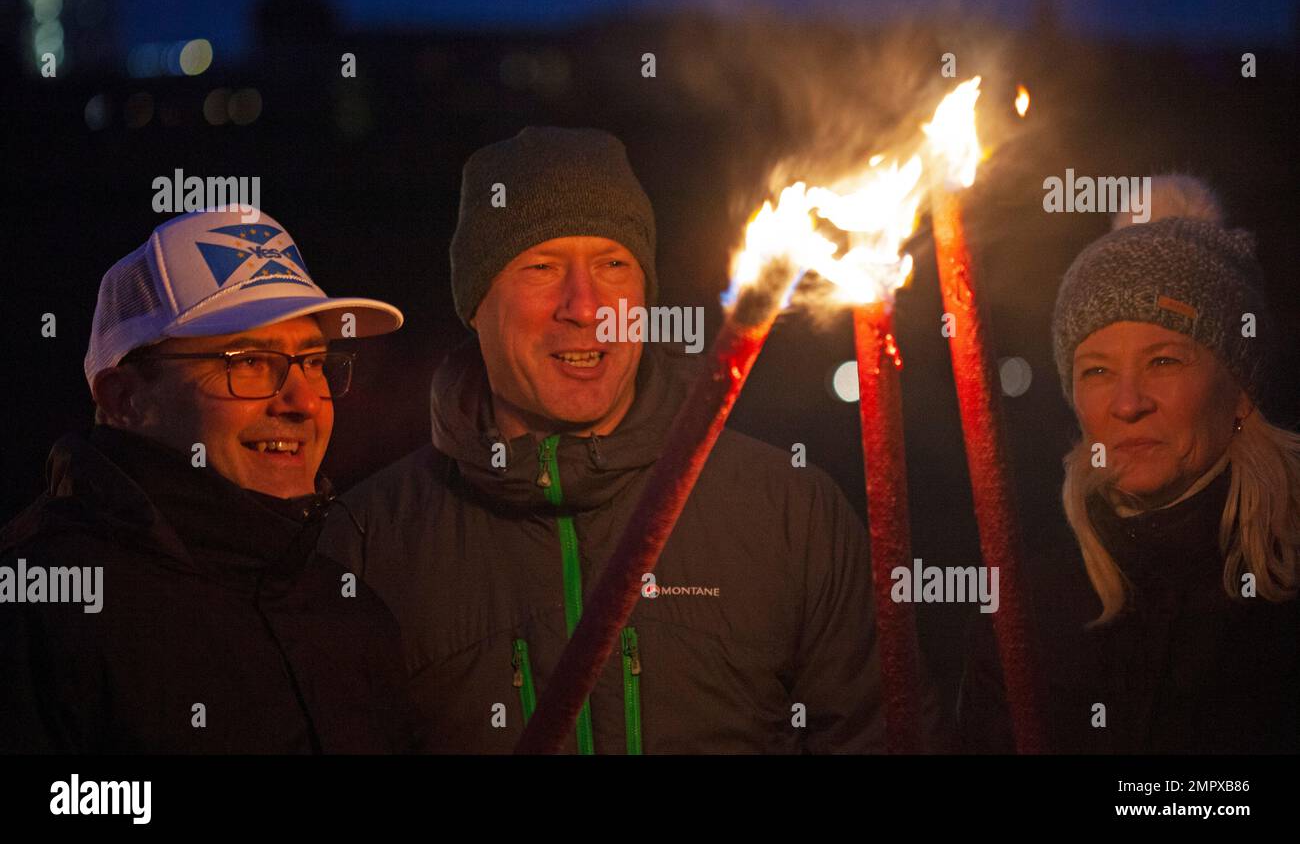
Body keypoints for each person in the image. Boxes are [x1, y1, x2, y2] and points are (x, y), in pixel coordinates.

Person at [322, 126, 933, 754]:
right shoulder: (369, 546)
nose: (585, 307)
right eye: (541, 267)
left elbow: (875, 736)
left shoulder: (791, 516)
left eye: (614, 264)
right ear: (475, 303)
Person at [0, 208, 421, 754]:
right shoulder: (37, 617)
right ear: (125, 399)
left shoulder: (351, 613)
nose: (302, 402)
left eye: (313, 361)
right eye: (248, 362)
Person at [958, 175, 1300, 754]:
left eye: (1164, 360)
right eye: (1096, 371)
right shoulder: (1030, 608)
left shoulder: (1280, 602)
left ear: (1239, 390)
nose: (1128, 403)